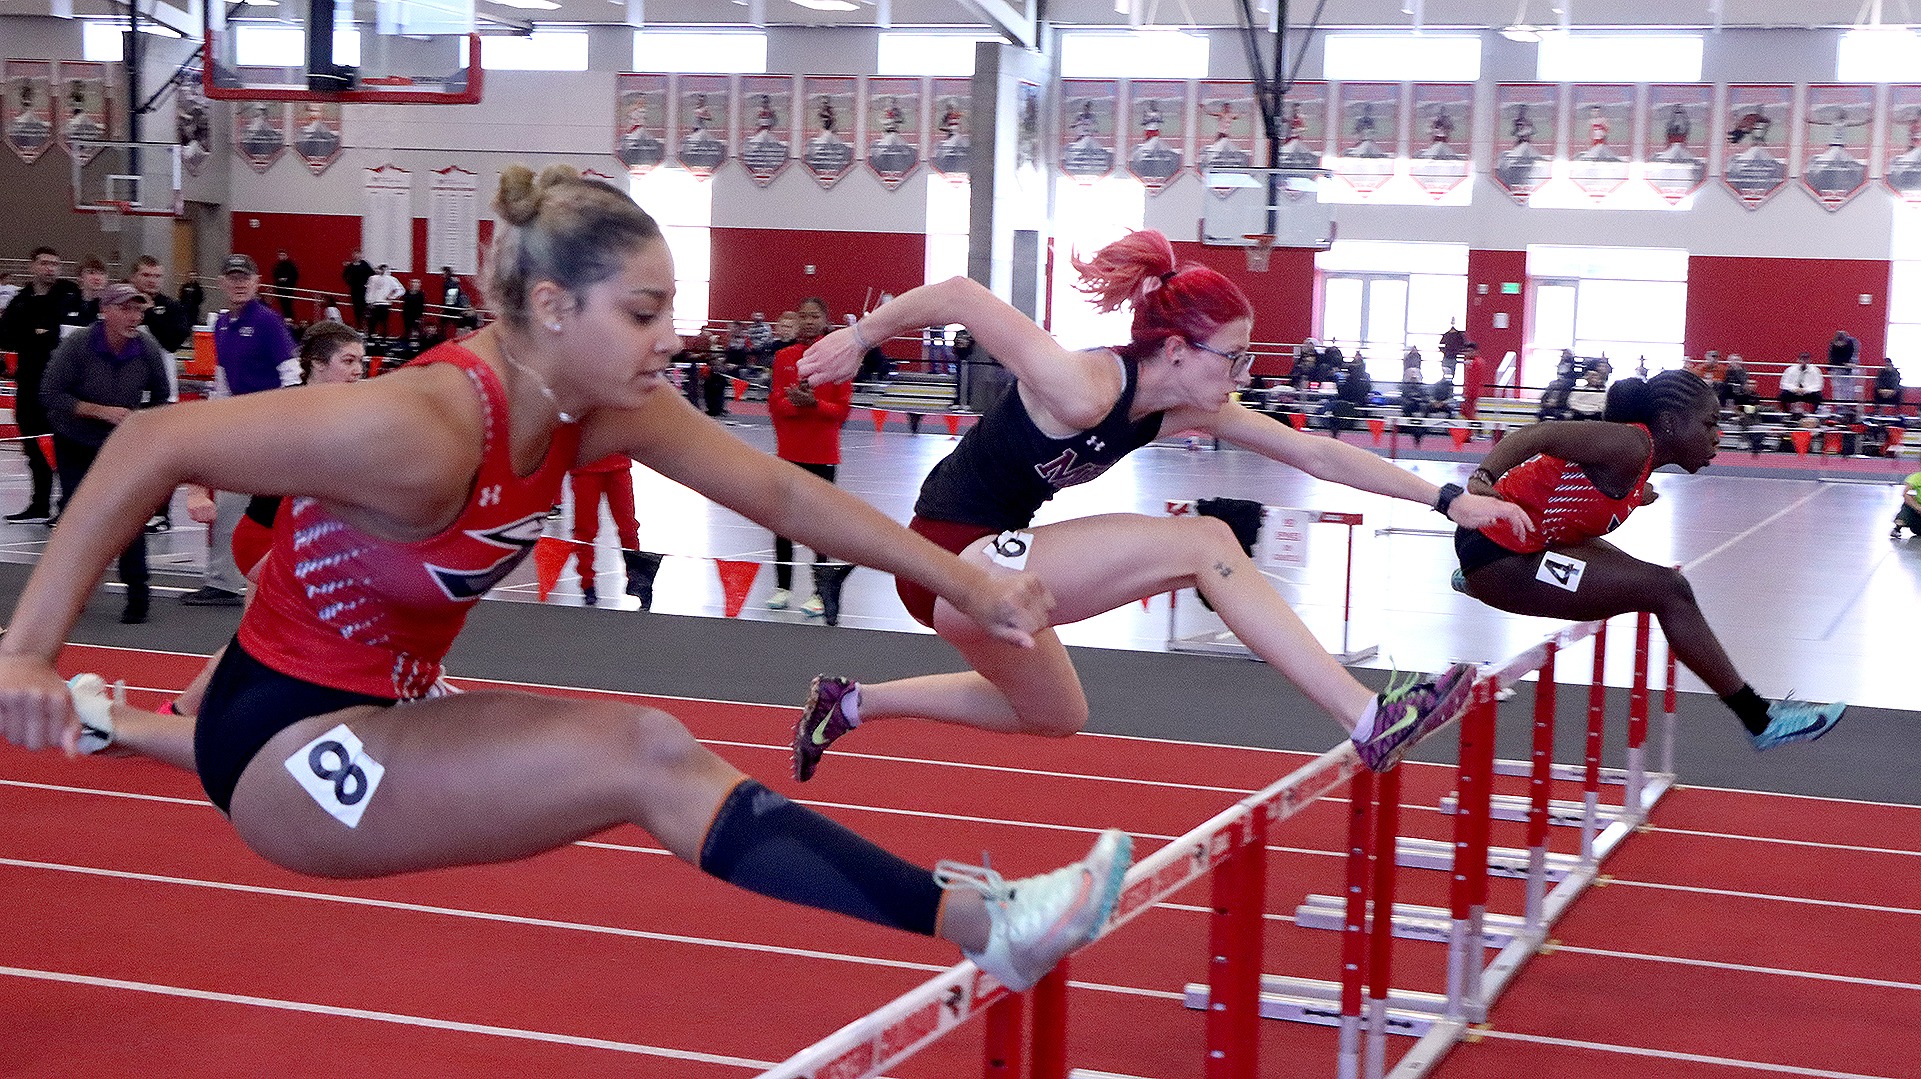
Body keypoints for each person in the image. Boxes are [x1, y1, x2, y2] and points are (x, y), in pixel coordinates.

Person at [0, 164, 1128, 998]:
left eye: (670, 310)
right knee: (643, 752)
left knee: (639, 750)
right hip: (287, 745)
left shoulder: (600, 411)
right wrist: (29, 650)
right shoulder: (424, 427)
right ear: (550, 310)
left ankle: (123, 724)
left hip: (369, 700)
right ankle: (987, 922)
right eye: (642, 313)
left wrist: (961, 583)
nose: (670, 339)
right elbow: (152, 443)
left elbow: (782, 498)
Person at [788, 229, 1535, 781]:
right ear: (1175, 349)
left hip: (994, 573)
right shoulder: (1084, 386)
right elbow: (958, 294)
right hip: (948, 561)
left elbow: (1315, 452)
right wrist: (858, 336)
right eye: (1231, 355)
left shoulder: (1183, 409)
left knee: (1056, 715)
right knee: (1204, 539)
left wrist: (1447, 499)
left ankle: (851, 703)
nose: (1241, 371)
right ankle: (1367, 716)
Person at [1452, 371, 1844, 750]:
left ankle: (1472, 580)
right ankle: (1760, 719)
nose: (1716, 436)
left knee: (1644, 577)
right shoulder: (1629, 445)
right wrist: (1482, 478)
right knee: (1668, 590)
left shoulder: (1637, 465)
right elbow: (1541, 434)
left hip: (1526, 549)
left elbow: (1582, 494)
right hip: (1497, 554)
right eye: (1709, 424)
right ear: (1671, 422)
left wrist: (1639, 494)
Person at [39, 283, 173, 624]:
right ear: (106, 311)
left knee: (131, 517)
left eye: (139, 311)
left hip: (123, 445)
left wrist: (142, 424)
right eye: (126, 309)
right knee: (77, 520)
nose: (134, 317)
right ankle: (70, 595)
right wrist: (100, 410)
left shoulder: (147, 348)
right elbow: (52, 394)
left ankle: (138, 595)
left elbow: (162, 394)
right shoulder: (77, 345)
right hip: (76, 441)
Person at [180, 254, 300, 607]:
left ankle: (252, 581)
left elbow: (291, 375)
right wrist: (216, 421)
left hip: (269, 431)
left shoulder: (268, 322)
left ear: (257, 281)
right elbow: (222, 381)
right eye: (233, 277)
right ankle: (226, 580)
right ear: (222, 283)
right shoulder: (220, 325)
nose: (239, 283)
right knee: (232, 506)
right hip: (239, 430)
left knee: (260, 511)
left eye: (245, 277)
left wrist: (283, 424)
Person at [766, 297, 855, 622]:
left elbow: (842, 410)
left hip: (822, 454)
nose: (807, 321)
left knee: (821, 525)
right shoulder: (783, 357)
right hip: (789, 452)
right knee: (781, 521)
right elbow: (775, 403)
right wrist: (798, 405)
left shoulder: (840, 359)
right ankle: (783, 587)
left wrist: (813, 405)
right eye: (802, 315)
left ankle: (820, 591)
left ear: (824, 319)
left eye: (814, 316)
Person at [0, 246, 85, 522]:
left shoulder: (69, 295)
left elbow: (72, 331)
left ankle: (68, 504)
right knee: (32, 443)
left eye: (55, 263)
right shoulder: (21, 300)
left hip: (61, 384)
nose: (50, 268)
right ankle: (39, 503)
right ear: (33, 266)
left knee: (63, 445)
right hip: (28, 381)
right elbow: (7, 336)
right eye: (45, 263)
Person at [565, 453, 660, 609]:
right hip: (585, 466)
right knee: (585, 531)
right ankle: (588, 585)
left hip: (617, 464)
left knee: (628, 529)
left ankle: (637, 581)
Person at [363, 264, 404, 340]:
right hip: (373, 304)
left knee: (383, 323)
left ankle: (383, 339)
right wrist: (368, 302)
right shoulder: (372, 278)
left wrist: (391, 296)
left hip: (384, 304)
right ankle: (371, 338)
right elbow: (369, 291)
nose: (382, 271)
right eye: (380, 269)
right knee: (372, 322)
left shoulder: (391, 279)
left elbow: (401, 290)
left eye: (384, 269)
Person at [342, 251, 374, 328]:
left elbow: (372, 274)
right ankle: (358, 324)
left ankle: (366, 325)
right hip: (354, 289)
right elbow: (344, 275)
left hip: (363, 289)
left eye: (359, 255)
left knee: (364, 307)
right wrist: (350, 283)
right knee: (356, 307)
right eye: (356, 255)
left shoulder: (365, 264)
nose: (357, 256)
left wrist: (368, 284)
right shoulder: (351, 265)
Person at [271, 250, 300, 321]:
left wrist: (286, 279)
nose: (281, 257)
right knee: (283, 305)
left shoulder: (290, 265)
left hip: (288, 288)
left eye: (283, 255)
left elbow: (294, 275)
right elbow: (275, 274)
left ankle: (290, 319)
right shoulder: (277, 265)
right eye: (280, 255)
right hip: (280, 288)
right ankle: (285, 318)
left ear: (286, 256)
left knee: (288, 304)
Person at [1892, 471, 1921, 540]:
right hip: (1915, 507)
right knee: (1907, 507)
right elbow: (1906, 495)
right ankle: (1897, 528)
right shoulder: (1915, 478)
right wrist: (1918, 507)